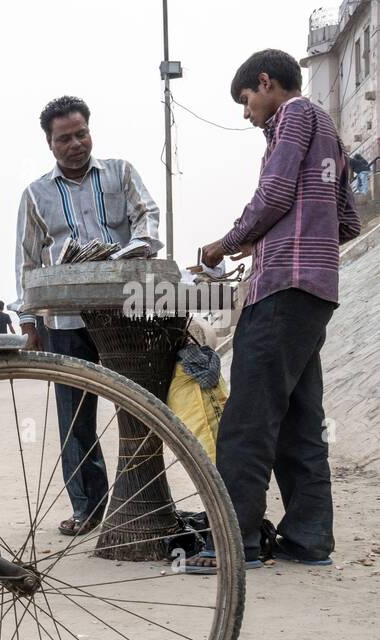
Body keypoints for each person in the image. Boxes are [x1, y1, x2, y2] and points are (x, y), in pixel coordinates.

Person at [190, 50, 360, 572]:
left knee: (248, 418)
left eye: (246, 100)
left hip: (282, 287)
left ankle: (234, 539)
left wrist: (229, 242)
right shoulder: (328, 130)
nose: (247, 114)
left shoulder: (295, 115)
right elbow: (348, 222)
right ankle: (308, 539)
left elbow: (275, 192)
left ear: (266, 83)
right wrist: (300, 234)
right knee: (300, 419)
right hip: (316, 289)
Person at [12, 95, 162, 536]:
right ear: (50, 144)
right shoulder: (35, 194)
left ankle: (140, 502)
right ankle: (89, 508)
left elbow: (148, 216)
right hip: (64, 321)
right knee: (75, 418)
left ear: (89, 131)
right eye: (65, 138)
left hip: (124, 315)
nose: (75, 143)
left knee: (138, 409)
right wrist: (28, 320)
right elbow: (26, 259)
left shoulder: (120, 172)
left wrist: (137, 247)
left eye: (81, 133)